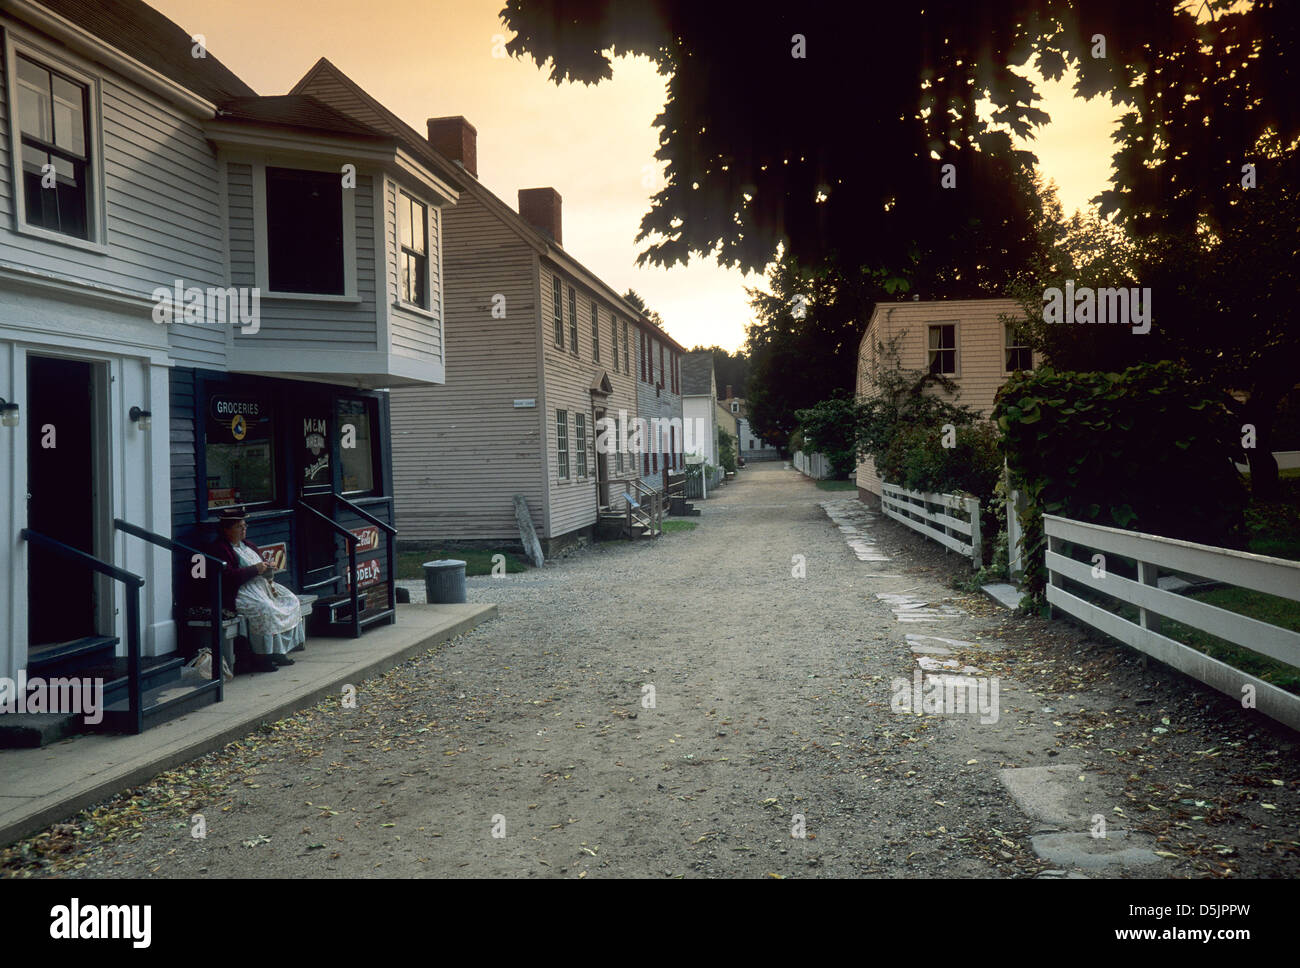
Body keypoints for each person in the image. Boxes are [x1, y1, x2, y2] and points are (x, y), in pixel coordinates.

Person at [212, 508, 305, 673]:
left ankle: (279, 651)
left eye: (244, 526)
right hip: (241, 591)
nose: (244, 529)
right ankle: (262, 657)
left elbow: (260, 568)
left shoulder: (249, 546)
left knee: (291, 601)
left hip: (262, 586)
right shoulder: (220, 549)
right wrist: (255, 569)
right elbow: (227, 578)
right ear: (227, 530)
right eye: (239, 527)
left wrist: (268, 568)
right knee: (266, 610)